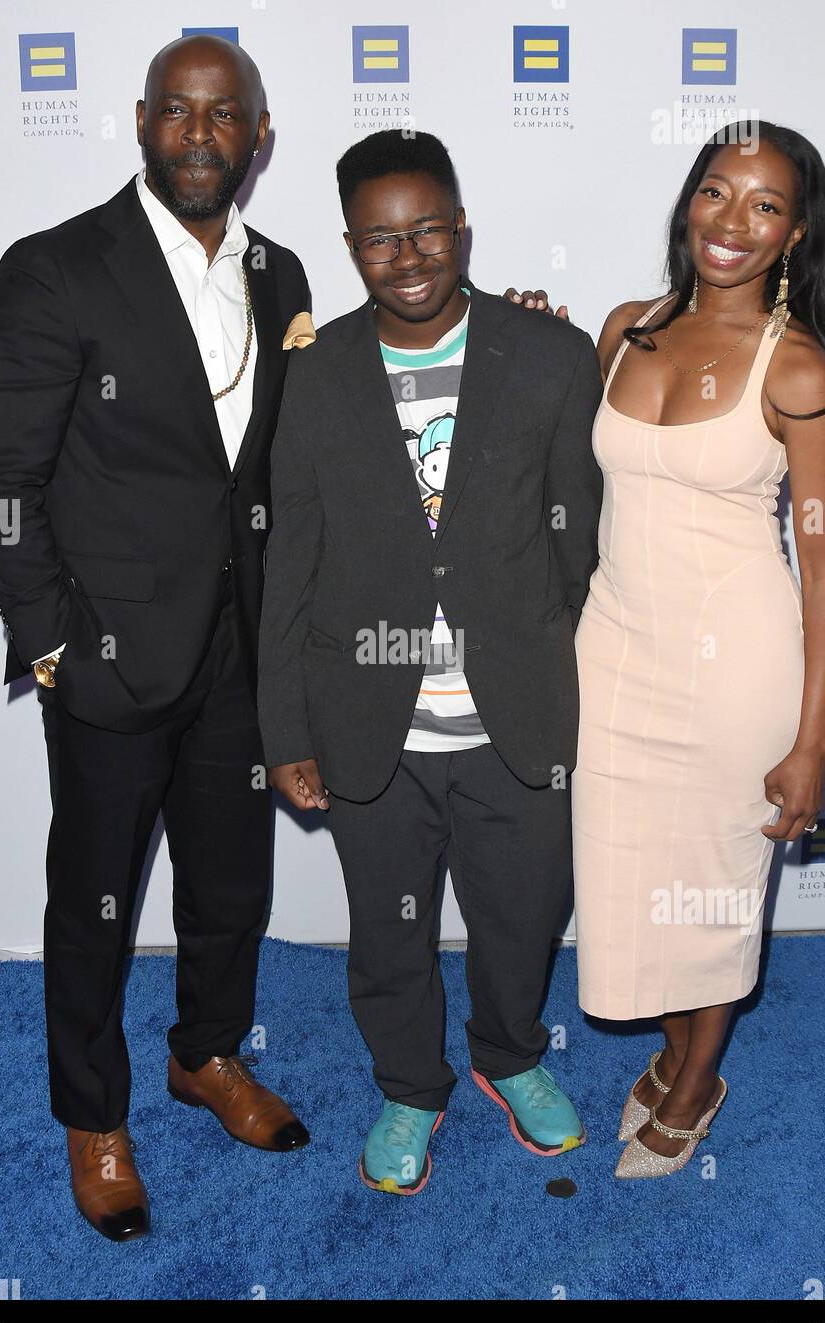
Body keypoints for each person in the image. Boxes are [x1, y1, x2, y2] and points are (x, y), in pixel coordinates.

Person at [0, 34, 314, 1241]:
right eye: (178, 113)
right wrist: (52, 646)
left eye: (225, 117)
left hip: (242, 653)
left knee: (230, 883)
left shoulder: (281, 275)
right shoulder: (58, 268)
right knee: (96, 898)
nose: (200, 136)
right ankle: (92, 1114)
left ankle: (205, 1055)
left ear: (258, 135)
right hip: (107, 652)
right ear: (140, 121)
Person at [257, 129, 604, 1194]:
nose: (406, 257)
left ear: (461, 228)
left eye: (426, 231)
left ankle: (509, 1055)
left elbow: (581, 548)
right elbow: (290, 568)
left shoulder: (548, 352)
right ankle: (409, 1083)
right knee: (388, 933)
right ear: (350, 247)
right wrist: (285, 732)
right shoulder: (314, 377)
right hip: (372, 723)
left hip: (516, 720)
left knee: (518, 915)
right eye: (377, 240)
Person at [571, 121, 825, 1178]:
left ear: (794, 234)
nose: (732, 223)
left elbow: (824, 574)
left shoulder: (798, 371)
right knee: (636, 877)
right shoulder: (624, 329)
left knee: (714, 886)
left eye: (764, 205)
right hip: (613, 652)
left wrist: (812, 744)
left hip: (731, 669)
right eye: (715, 193)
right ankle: (670, 1041)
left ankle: (694, 1081)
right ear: (685, 201)